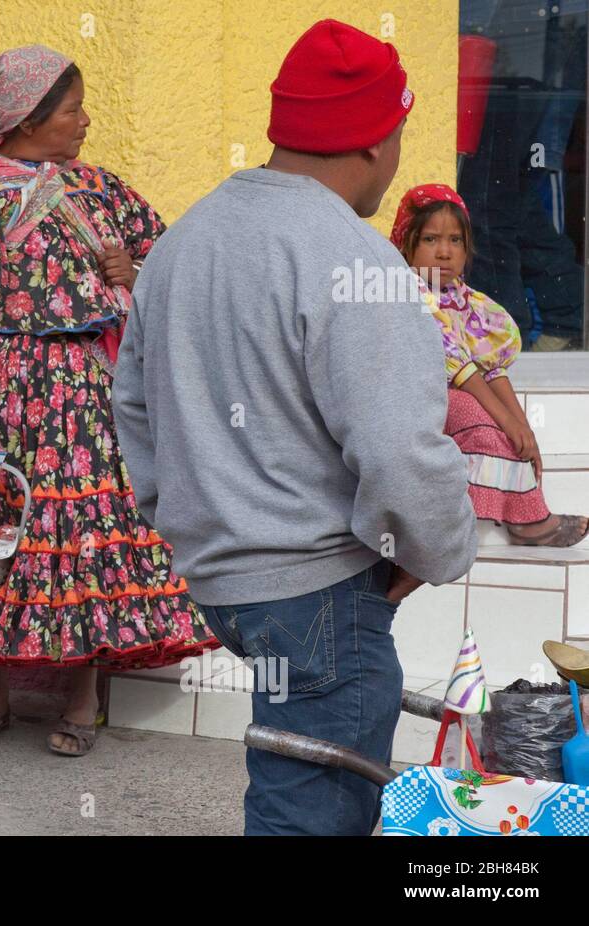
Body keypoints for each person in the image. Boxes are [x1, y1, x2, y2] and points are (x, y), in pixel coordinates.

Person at [113, 20, 479, 834]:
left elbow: (133, 406)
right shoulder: (350, 256)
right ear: (375, 140)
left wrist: (191, 522)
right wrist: (439, 550)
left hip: (229, 585)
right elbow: (397, 447)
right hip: (318, 590)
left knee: (295, 777)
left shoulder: (187, 240)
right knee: (309, 809)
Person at [0, 44, 216, 758]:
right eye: (73, 108)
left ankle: (82, 699)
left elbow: (176, 266)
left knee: (75, 536)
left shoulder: (100, 191)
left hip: (84, 395)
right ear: (25, 116)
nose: (85, 121)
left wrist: (132, 271)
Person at [390, 183, 589, 546]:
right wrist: (506, 421)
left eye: (456, 241)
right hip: (412, 396)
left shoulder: (467, 301)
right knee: (481, 421)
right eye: (431, 240)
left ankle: (522, 515)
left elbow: (491, 368)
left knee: (500, 425)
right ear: (407, 244)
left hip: (454, 392)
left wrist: (523, 428)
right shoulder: (407, 293)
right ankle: (506, 522)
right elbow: (462, 371)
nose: (445, 253)